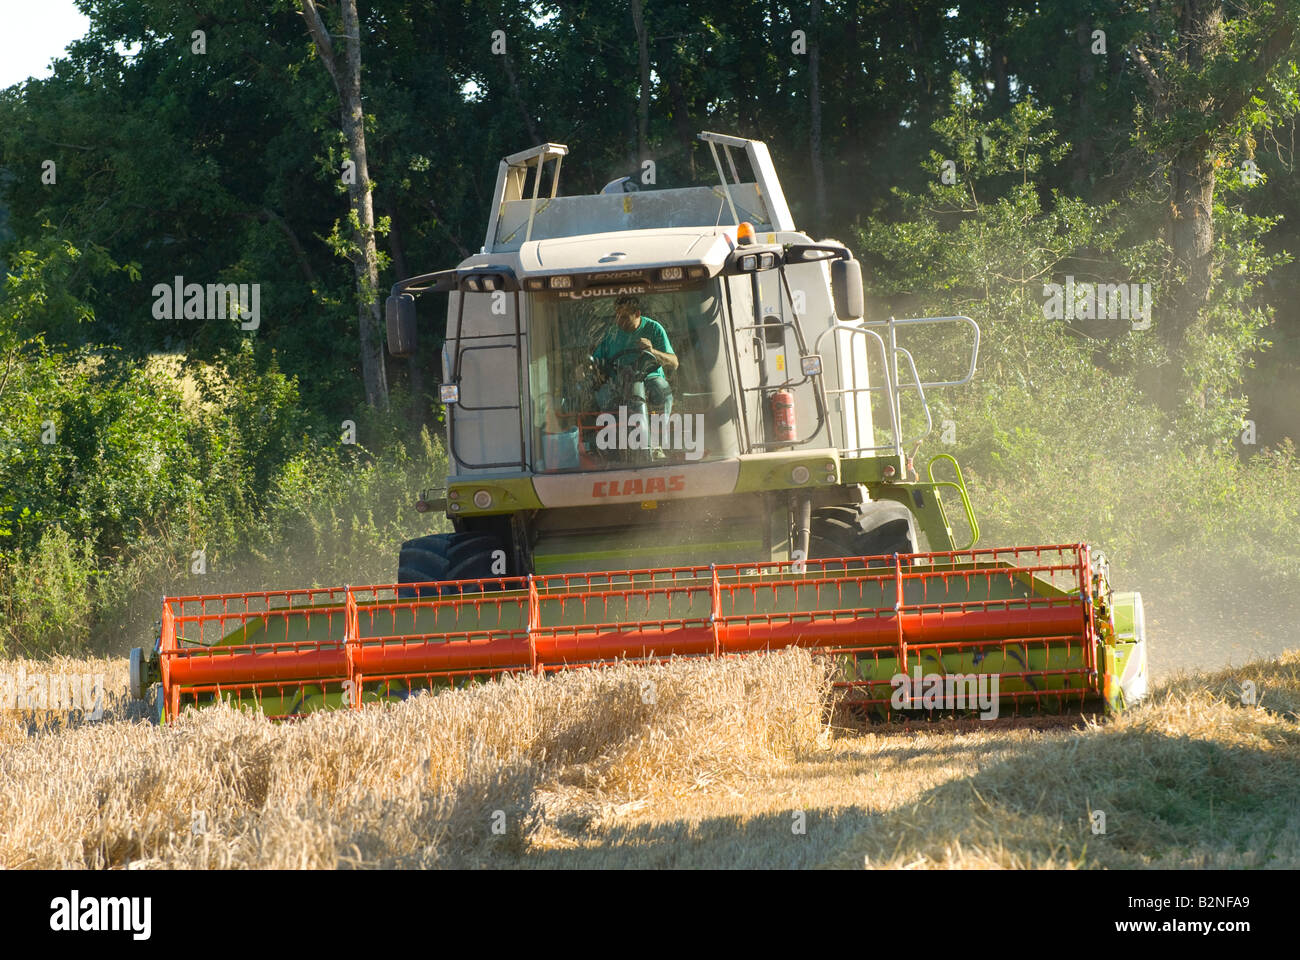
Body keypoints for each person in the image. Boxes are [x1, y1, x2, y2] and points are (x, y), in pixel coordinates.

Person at [591, 295, 677, 420]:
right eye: (617, 315)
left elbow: (674, 363)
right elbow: (595, 360)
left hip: (649, 379)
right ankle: (613, 433)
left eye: (624, 317)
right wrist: (592, 368)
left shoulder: (654, 329)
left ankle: (659, 434)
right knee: (602, 394)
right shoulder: (611, 334)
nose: (619, 321)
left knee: (662, 390)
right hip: (618, 382)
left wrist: (652, 351)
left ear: (637, 314)